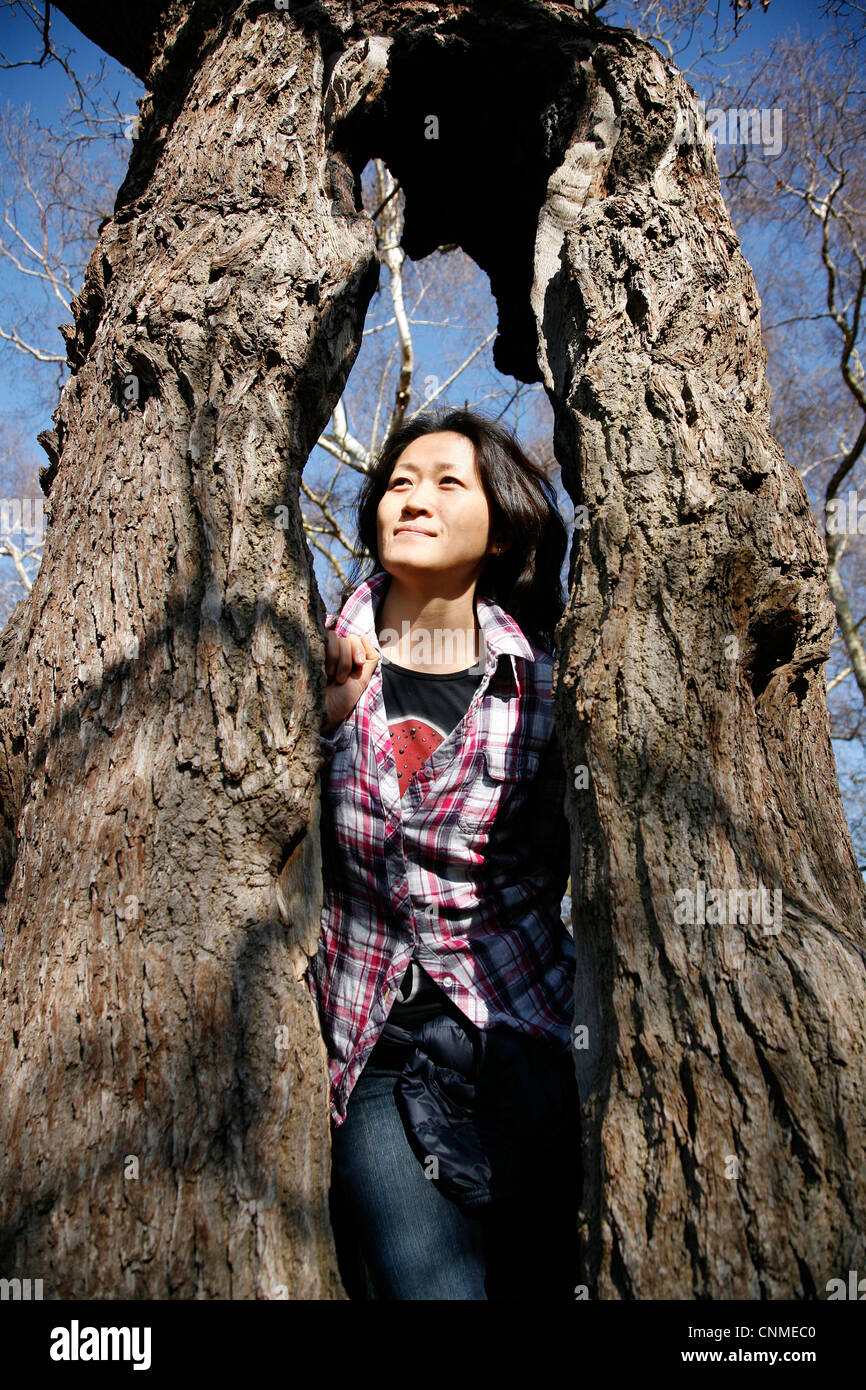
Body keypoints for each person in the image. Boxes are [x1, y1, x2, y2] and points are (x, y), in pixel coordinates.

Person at [305, 407, 582, 1300]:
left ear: (501, 527)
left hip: (526, 1035)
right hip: (373, 1042)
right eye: (398, 483)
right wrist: (320, 729)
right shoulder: (305, 662)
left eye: (447, 483)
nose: (413, 500)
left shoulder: (546, 683)